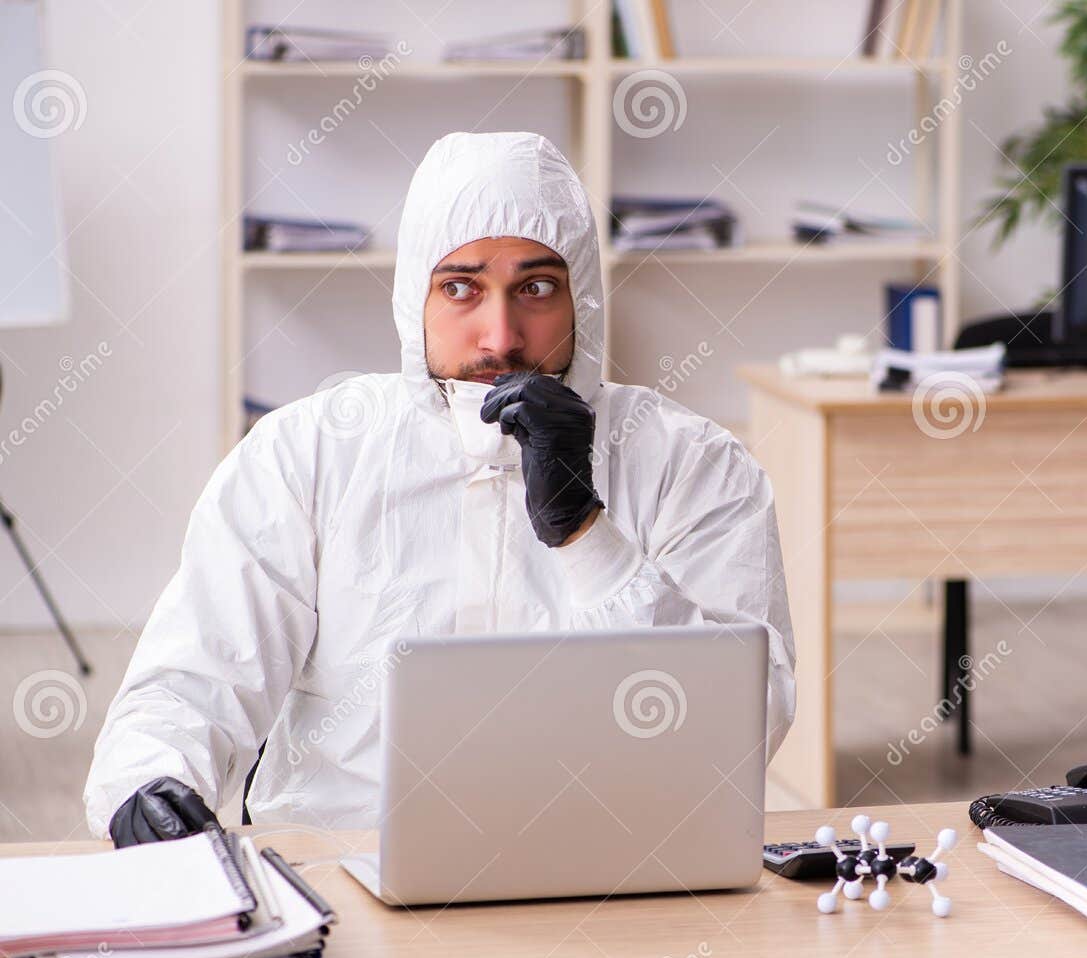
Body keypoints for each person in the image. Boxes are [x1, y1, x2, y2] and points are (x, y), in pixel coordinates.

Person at [83, 131, 796, 844]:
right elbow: (196, 676)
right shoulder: (307, 454)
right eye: (460, 288)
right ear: (412, 301)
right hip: (347, 868)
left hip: (611, 868)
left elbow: (738, 735)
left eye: (537, 288)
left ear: (585, 299)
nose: (501, 336)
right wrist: (147, 781)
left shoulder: (693, 464)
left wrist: (586, 533)